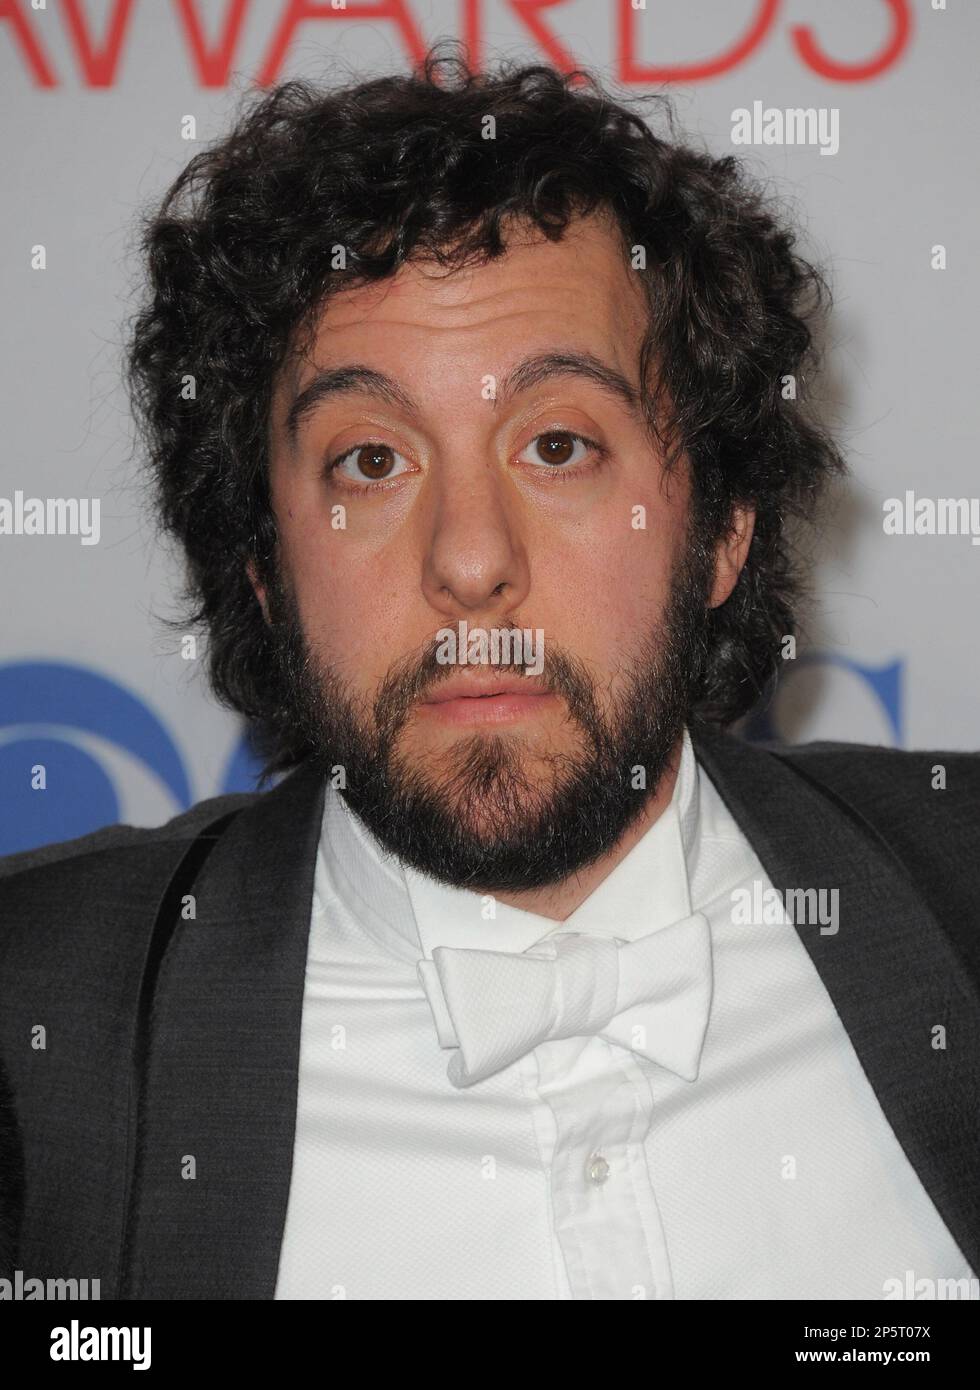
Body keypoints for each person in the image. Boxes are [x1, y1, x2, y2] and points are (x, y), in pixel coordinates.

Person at [1, 46, 978, 1302]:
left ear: (723, 526)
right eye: (367, 462)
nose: (469, 562)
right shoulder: (37, 1027)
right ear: (262, 566)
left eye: (558, 443)